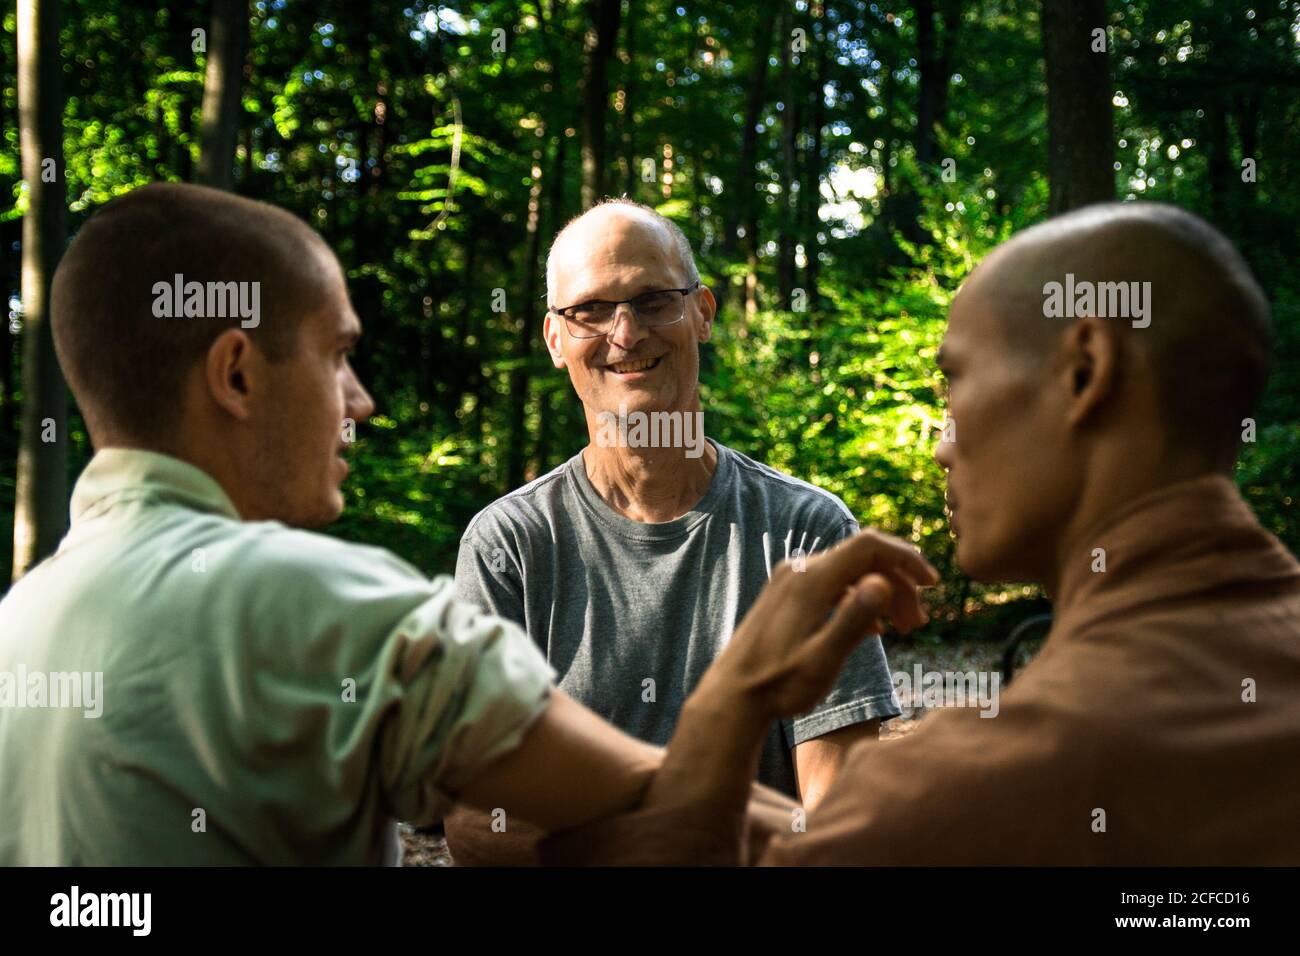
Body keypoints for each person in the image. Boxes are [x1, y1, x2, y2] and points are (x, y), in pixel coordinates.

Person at [0, 182, 935, 865]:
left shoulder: (19, 625)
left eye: (652, 300)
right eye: (338, 358)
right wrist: (748, 687)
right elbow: (675, 817)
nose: (359, 401)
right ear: (236, 372)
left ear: (700, 314)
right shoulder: (325, 602)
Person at [537, 201, 1300, 866]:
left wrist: (733, 700)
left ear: (1086, 372)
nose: (941, 441)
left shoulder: (992, 781)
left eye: (957, 381)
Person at [445, 199, 901, 864]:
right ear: (553, 339)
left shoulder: (804, 530)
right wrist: (702, 816)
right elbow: (480, 820)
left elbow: (836, 817)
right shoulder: (508, 546)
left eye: (655, 299)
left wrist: (627, 822)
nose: (625, 333)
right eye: (591, 310)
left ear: (703, 314)